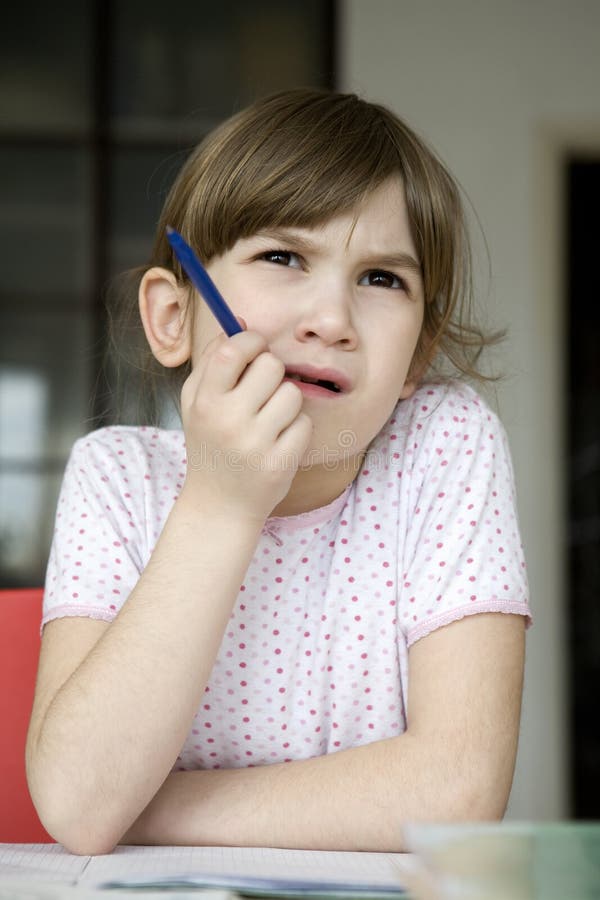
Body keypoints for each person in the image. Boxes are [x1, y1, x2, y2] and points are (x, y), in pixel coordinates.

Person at [26, 88, 531, 856]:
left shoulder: (445, 445)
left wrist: (142, 809)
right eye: (282, 257)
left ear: (416, 359)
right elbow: (76, 800)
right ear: (172, 317)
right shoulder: (118, 477)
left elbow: (457, 792)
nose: (331, 319)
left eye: (382, 279)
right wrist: (221, 505)